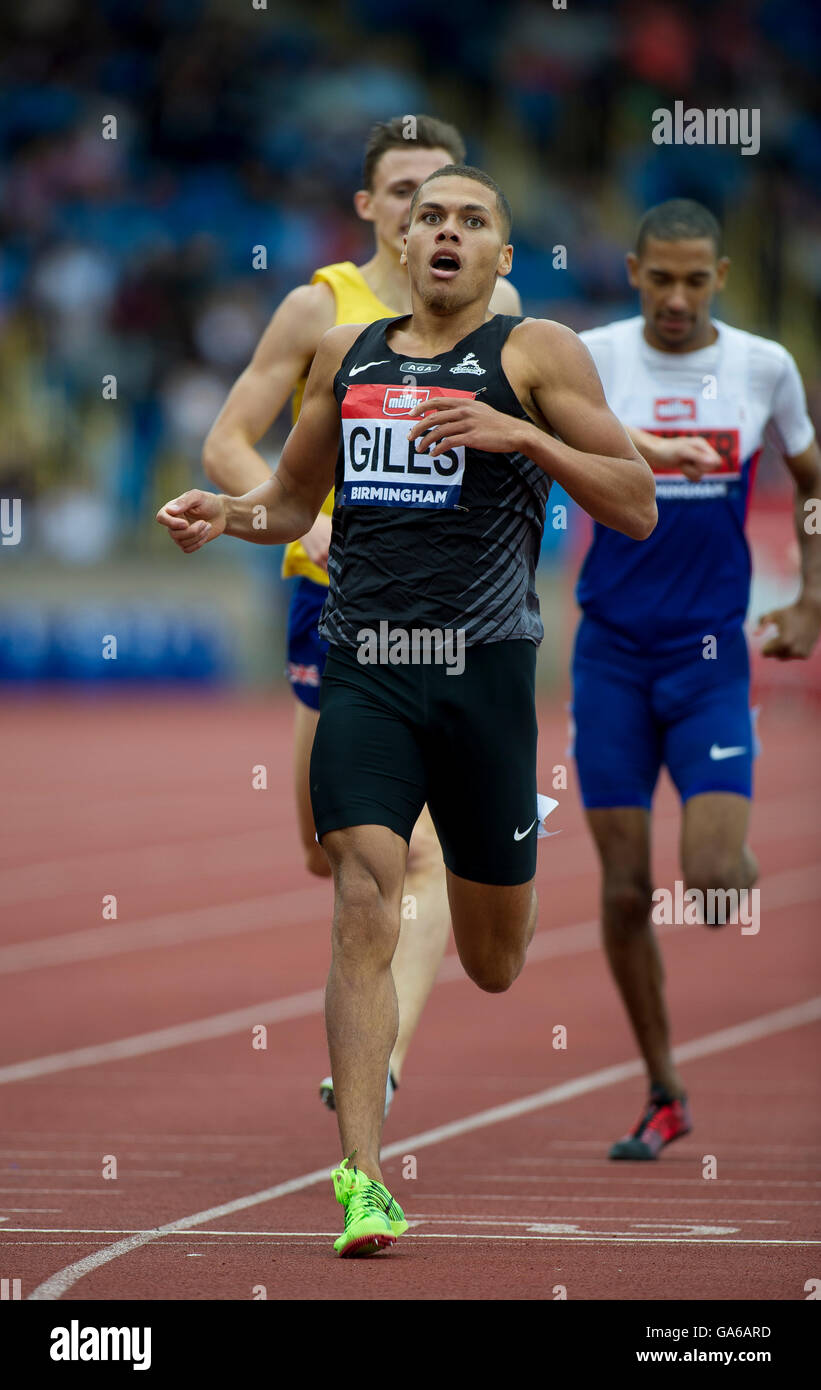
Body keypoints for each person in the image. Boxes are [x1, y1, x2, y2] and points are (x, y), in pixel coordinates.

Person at [157, 163, 657, 1256]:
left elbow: (636, 503)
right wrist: (224, 514)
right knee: (361, 895)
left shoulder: (537, 356)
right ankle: (363, 1178)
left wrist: (522, 437)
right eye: (429, 215)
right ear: (403, 237)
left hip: (484, 684)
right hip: (367, 670)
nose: (445, 232)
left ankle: (515, 832)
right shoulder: (351, 354)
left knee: (494, 958)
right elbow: (290, 500)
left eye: (471, 220)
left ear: (499, 257)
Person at [201, 116, 523, 1119]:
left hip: (454, 623)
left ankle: (376, 1061)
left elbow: (548, 404)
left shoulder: (497, 309)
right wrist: (313, 526)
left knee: (411, 854)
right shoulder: (319, 313)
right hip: (329, 602)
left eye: (450, 200)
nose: (427, 217)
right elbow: (227, 445)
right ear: (370, 207)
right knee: (328, 849)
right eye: (406, 195)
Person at [573, 199, 821, 1159]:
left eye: (694, 280)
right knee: (626, 890)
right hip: (610, 658)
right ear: (632, 270)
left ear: (719, 278)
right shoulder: (590, 357)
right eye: (658, 278)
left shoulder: (763, 367)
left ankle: (735, 861)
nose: (675, 298)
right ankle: (663, 1088)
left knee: (713, 885)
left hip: (711, 657)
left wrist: (808, 605)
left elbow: (812, 481)